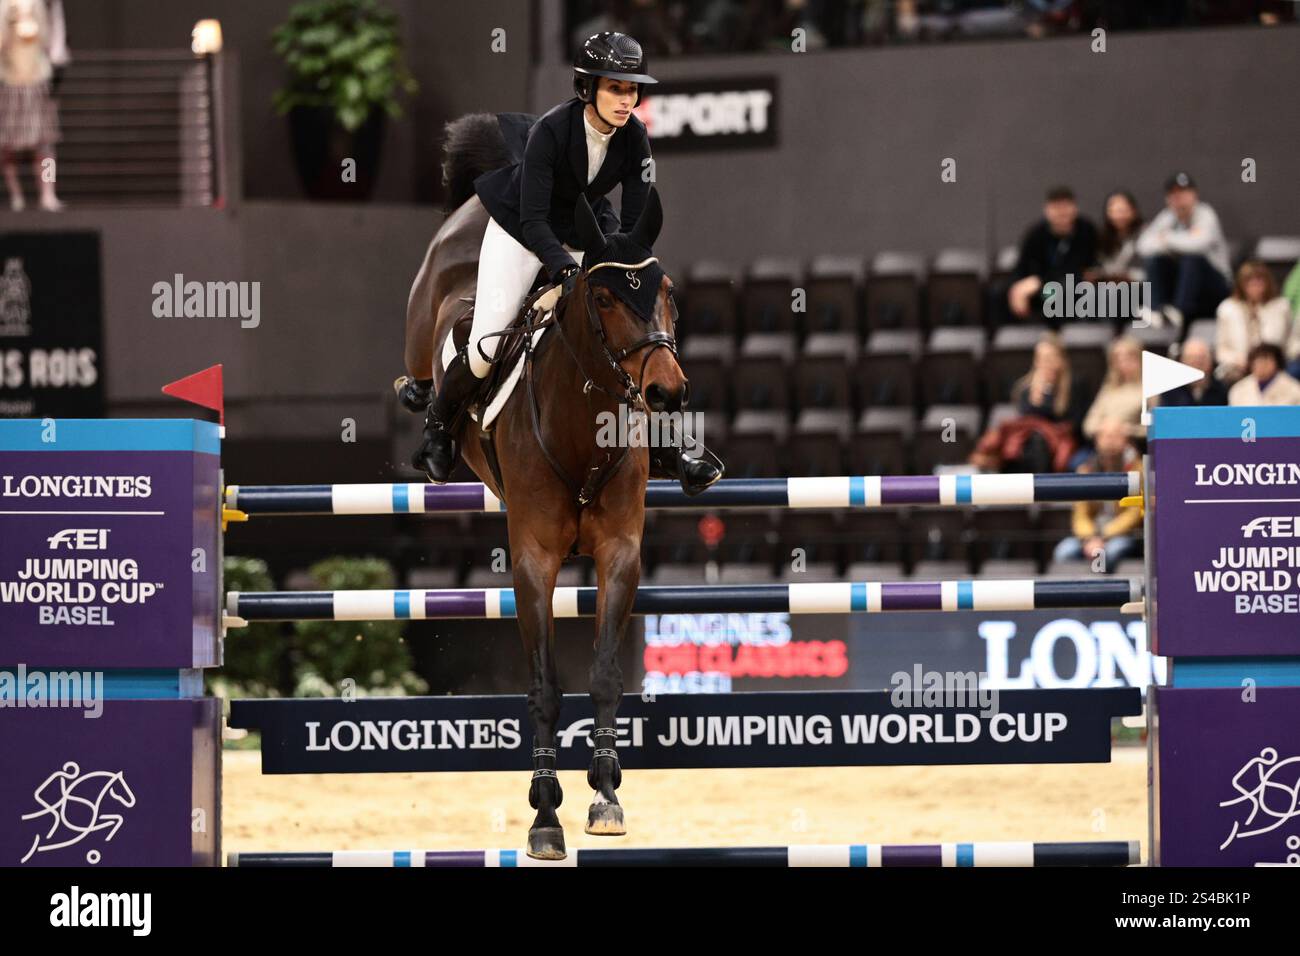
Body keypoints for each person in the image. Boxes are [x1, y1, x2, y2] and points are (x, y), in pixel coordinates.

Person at [411, 32, 722, 493]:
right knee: (488, 342)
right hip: (521, 230)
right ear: (586, 89)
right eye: (615, 88)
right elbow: (536, 220)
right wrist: (561, 271)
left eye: (632, 89)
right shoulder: (552, 132)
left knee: (627, 334)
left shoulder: (635, 138)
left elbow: (633, 223)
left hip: (584, 229)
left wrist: (624, 268)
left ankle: (670, 446)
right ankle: (438, 429)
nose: (626, 99)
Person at [970, 333, 1083, 473]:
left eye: (1050, 358)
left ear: (1061, 359)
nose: (1045, 363)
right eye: (1040, 358)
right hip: (1031, 441)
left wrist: (1045, 395)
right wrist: (1037, 394)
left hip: (1061, 441)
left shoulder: (1075, 385)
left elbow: (1073, 423)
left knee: (1037, 442)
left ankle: (1039, 489)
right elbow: (1027, 418)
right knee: (1021, 446)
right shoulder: (1025, 388)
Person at [1136, 172, 1231, 329]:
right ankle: (1156, 310)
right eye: (1174, 194)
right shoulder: (1167, 217)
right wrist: (1183, 239)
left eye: (1183, 192)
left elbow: (1198, 245)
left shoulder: (1205, 214)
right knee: (1155, 260)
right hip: (1182, 286)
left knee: (1191, 259)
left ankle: (1179, 311)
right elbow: (1143, 245)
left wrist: (1166, 238)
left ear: (1195, 194)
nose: (1179, 197)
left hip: (1215, 287)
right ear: (1167, 198)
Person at [0, 0, 67, 211]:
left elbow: (55, 33)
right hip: (9, 80)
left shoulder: (45, 3)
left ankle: (48, 193)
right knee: (6, 145)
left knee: (45, 145)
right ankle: (16, 194)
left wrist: (56, 61)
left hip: (39, 79)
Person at [1052, 418, 1142, 570]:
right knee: (1063, 552)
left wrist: (1104, 535)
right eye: (1105, 436)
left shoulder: (1138, 469)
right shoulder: (1086, 469)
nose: (1110, 441)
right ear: (1096, 440)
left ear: (1126, 440)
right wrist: (1090, 538)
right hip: (1090, 536)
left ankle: (1110, 592)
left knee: (1112, 552)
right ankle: (1080, 591)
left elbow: (1134, 513)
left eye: (1115, 435)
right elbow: (1080, 513)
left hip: (1124, 534)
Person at [1007, 185, 1098, 327]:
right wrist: (1016, 288)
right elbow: (1022, 266)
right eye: (1056, 208)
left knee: (1059, 290)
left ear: (1075, 208)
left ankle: (1059, 337)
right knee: (998, 293)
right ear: (1047, 210)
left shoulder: (1086, 232)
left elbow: (1081, 269)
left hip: (1071, 289)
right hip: (1039, 290)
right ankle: (1007, 342)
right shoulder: (1036, 234)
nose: (1061, 213)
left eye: (1065, 207)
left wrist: (1040, 281)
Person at [1214, 260, 1300, 384]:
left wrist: (1277, 361)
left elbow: (1291, 342)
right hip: (1239, 367)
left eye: (1259, 281)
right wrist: (1238, 360)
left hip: (1277, 366)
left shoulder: (1281, 306)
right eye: (1250, 281)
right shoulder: (1227, 308)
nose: (1255, 286)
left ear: (1267, 282)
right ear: (1241, 284)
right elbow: (1221, 349)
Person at [1082, 335, 1144, 442]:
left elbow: (1154, 428)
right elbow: (1088, 425)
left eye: (1129, 357)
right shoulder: (1109, 388)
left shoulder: (1149, 389)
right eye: (1118, 359)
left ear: (1139, 358)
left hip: (1132, 443)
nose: (1123, 363)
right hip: (1103, 440)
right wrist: (1105, 429)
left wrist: (1128, 430)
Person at [1086, 189, 1143, 282]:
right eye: (1114, 211)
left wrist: (1128, 276)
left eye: (1123, 210)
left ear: (1133, 211)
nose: (1119, 216)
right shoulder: (1101, 238)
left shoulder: (1144, 235)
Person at [1158, 338, 1228, 406]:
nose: (1197, 363)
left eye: (1201, 358)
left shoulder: (1222, 390)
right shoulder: (1170, 391)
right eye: (1191, 358)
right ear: (1182, 361)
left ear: (1211, 361)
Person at [1227, 343, 1300, 406]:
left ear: (1277, 363)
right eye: (1257, 360)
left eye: (1266, 359)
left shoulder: (1294, 388)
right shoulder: (1238, 389)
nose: (1261, 364)